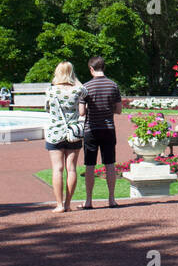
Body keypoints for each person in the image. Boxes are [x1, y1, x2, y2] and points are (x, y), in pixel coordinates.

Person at [78, 56, 123, 209]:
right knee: (110, 164)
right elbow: (119, 110)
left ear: (91, 69)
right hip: (108, 128)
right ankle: (111, 199)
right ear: (103, 67)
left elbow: (82, 112)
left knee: (90, 165)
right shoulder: (113, 85)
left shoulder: (86, 87)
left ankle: (89, 201)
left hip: (91, 129)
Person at [44, 62, 84, 213]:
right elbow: (83, 106)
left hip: (55, 132)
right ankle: (68, 203)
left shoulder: (51, 91)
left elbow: (48, 109)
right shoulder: (79, 89)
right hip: (73, 132)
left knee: (57, 169)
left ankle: (59, 204)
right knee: (71, 168)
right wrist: (76, 80)